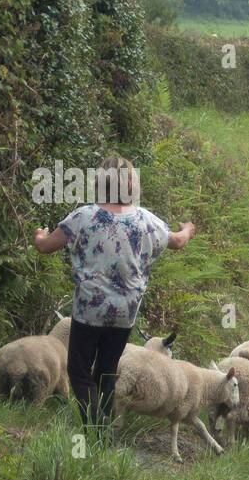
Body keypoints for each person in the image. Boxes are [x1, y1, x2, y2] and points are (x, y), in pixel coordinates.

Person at [32, 156, 196, 426]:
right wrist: (187, 229)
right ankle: (103, 427)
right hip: (125, 312)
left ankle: (96, 426)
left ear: (101, 182)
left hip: (90, 310)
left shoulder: (85, 216)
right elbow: (177, 242)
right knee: (107, 371)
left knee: (78, 370)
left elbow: (45, 246)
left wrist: (39, 234)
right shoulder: (145, 220)